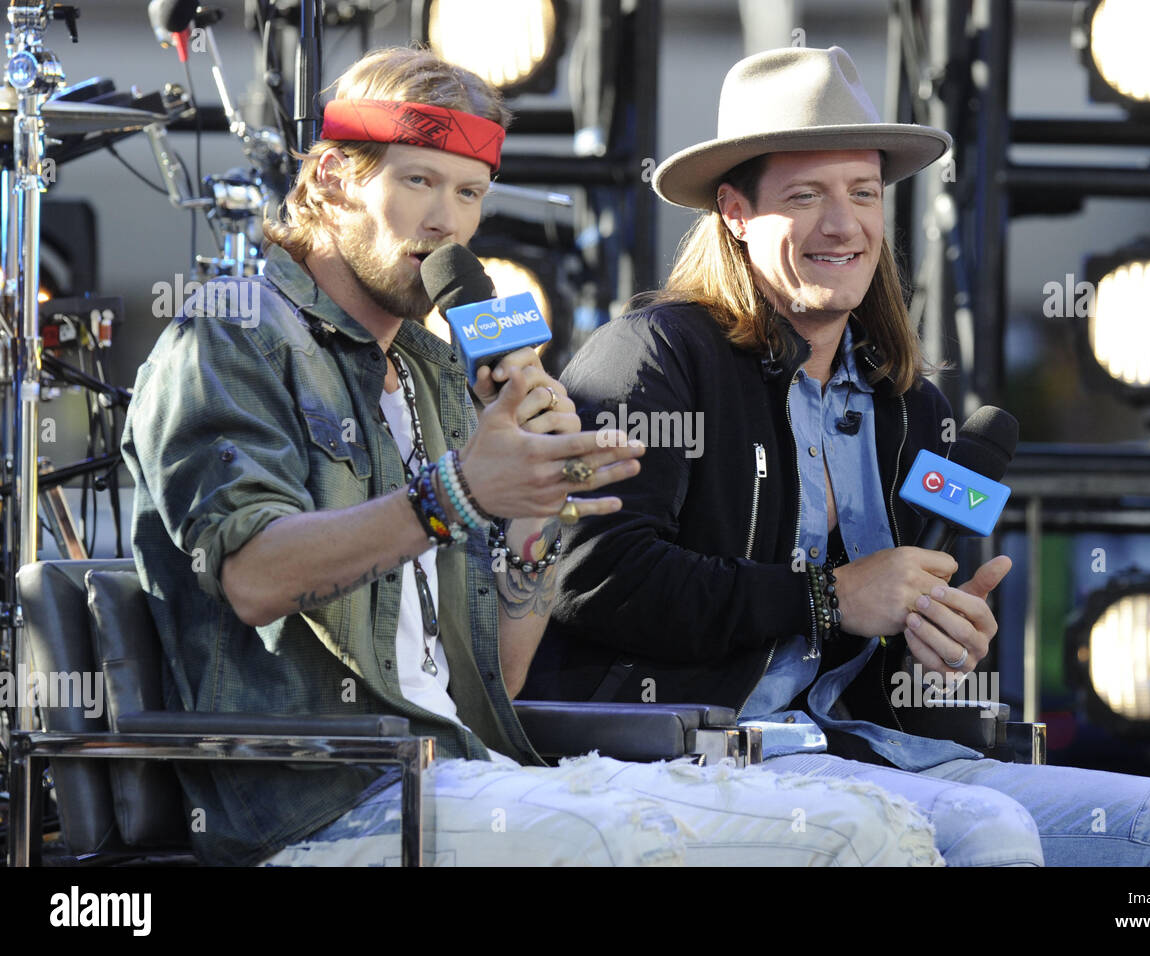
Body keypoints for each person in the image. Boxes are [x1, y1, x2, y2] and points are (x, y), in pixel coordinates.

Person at [120, 46, 945, 867]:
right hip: (319, 810)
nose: (447, 222)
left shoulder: (433, 370)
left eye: (470, 191)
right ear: (333, 178)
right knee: (830, 837)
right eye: (417, 181)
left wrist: (536, 520)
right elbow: (253, 577)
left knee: (873, 830)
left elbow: (503, 679)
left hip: (468, 775)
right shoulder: (232, 338)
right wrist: (457, 495)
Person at [525, 45, 1150, 867]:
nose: (843, 225)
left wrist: (938, 643)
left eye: (863, 193)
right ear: (733, 210)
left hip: (875, 754)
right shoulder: (650, 354)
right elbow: (591, 575)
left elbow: (892, 648)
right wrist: (827, 599)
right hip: (687, 761)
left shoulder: (915, 408)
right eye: (805, 195)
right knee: (987, 832)